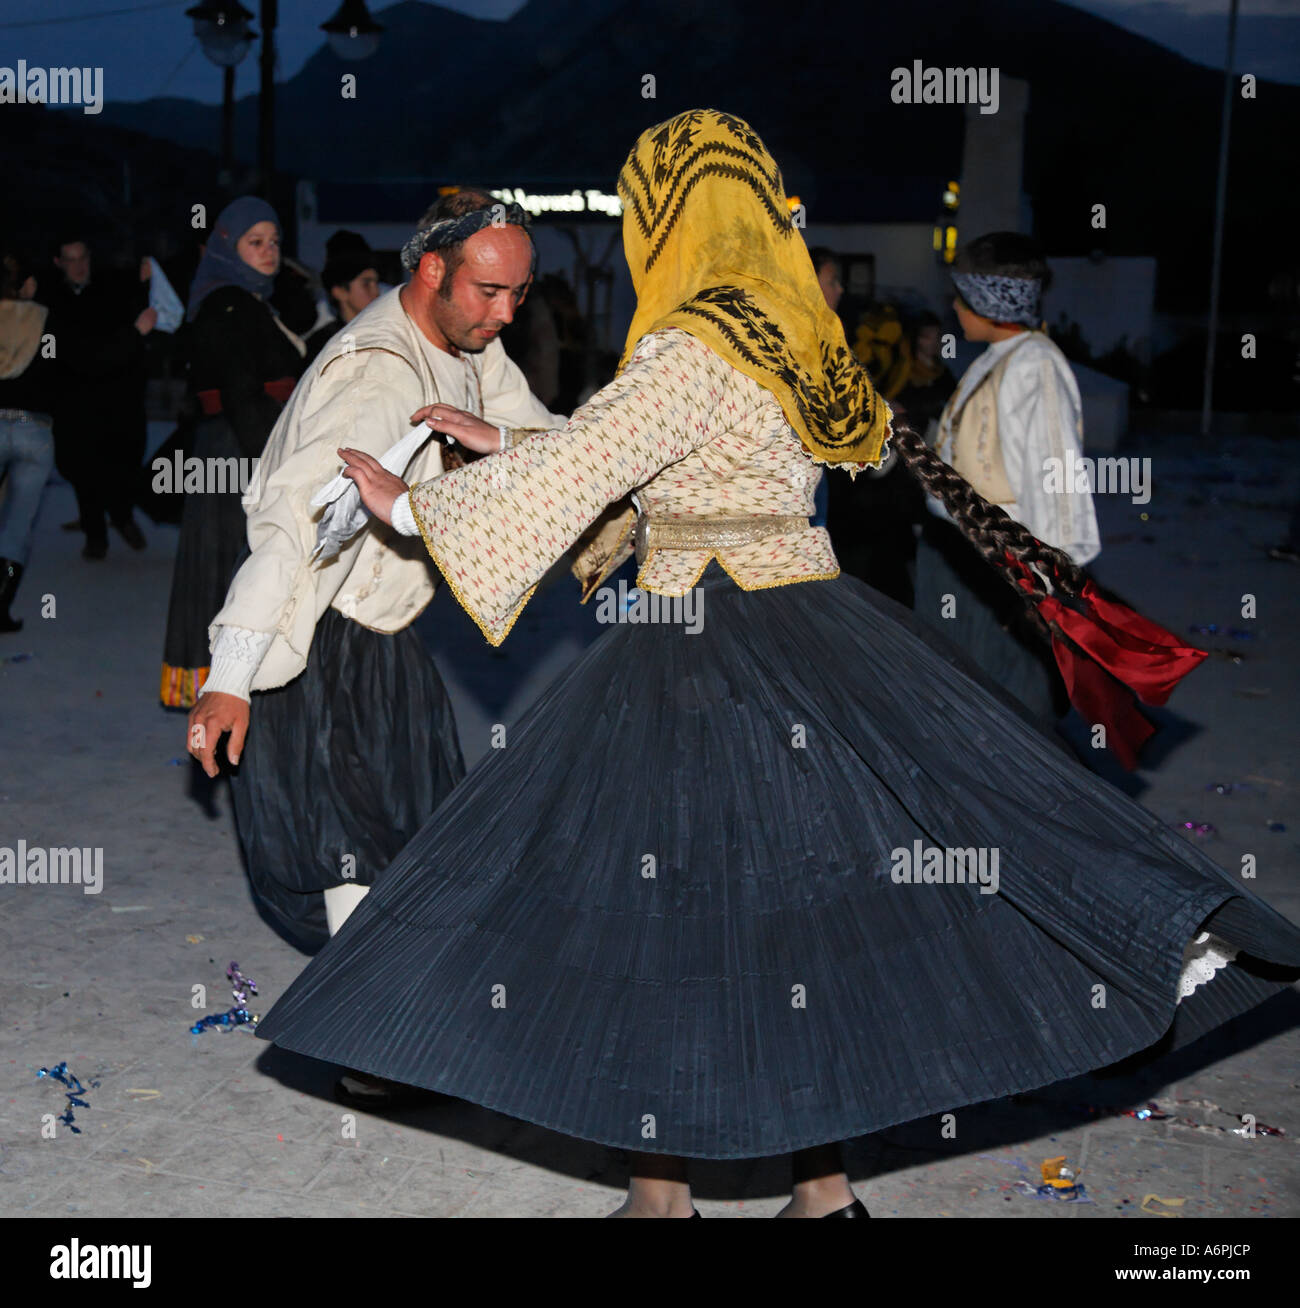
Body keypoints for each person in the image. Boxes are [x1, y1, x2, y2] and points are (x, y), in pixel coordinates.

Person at [253, 110, 1300, 1217]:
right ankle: (823, 1196)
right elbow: (664, 454)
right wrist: (507, 442)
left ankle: (662, 1203)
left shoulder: (686, 341)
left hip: (700, 652)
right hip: (812, 631)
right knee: (808, 916)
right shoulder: (793, 332)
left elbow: (605, 465)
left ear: (669, 217)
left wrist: (410, 503)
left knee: (666, 918)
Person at [185, 188, 566, 1106]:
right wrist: (229, 678)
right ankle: (367, 1041)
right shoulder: (373, 377)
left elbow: (549, 441)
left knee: (418, 828)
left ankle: (386, 1018)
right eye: (489, 291)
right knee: (353, 839)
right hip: (324, 636)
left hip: (389, 630)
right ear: (431, 269)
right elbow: (288, 532)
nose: (505, 312)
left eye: (518, 293)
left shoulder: (471, 340)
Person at [913, 233, 1101, 737]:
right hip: (959, 558)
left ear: (989, 300)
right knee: (957, 696)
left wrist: (1044, 586)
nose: (953, 306)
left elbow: (1057, 480)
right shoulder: (995, 357)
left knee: (1005, 707)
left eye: (963, 295)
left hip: (995, 566)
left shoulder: (1035, 366)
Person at [160, 198, 308, 710]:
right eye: (255, 242)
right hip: (239, 448)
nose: (269, 252)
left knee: (232, 563)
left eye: (274, 241)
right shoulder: (230, 304)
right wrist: (275, 466)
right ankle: (228, 687)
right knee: (238, 563)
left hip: (231, 444)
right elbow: (244, 391)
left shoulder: (246, 299)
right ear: (228, 247)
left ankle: (229, 684)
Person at [827, 310, 954, 605]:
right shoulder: (895, 373)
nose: (931, 344)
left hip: (915, 479)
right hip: (883, 485)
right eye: (925, 337)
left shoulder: (943, 377)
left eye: (936, 338)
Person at [46, 235, 153, 560]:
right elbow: (70, 353)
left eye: (83, 258)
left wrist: (146, 276)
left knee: (122, 463)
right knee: (83, 470)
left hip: (117, 399)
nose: (78, 266)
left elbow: (136, 285)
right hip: (75, 403)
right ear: (59, 263)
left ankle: (122, 516)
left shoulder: (110, 289)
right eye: (71, 259)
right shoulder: (54, 302)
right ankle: (96, 534)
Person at [0, 250, 56, 631]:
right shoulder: (44, 321)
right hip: (35, 431)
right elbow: (55, 369)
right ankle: (1, 608)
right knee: (17, 527)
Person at [303, 241, 382, 363]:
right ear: (340, 292)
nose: (376, 291)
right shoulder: (325, 343)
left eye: (376, 283)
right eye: (366, 284)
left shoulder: (384, 334)